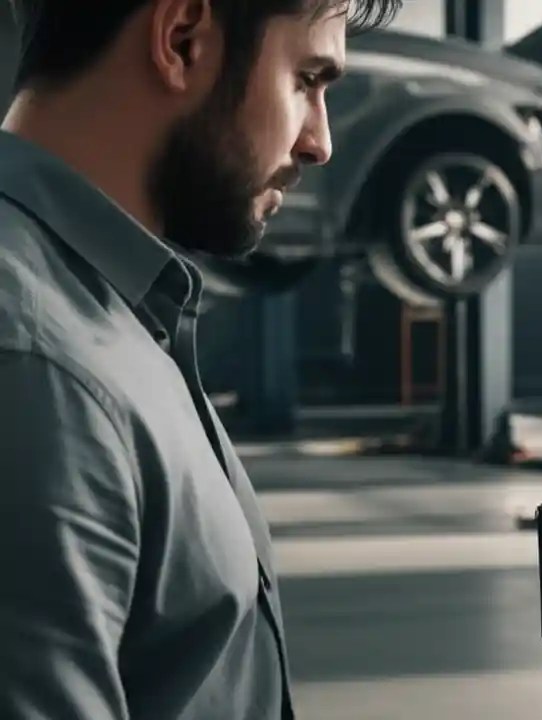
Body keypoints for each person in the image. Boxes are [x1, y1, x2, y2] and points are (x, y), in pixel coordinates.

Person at [0, 0, 399, 717]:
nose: (320, 142)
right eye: (307, 79)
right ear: (182, 39)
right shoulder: (37, 367)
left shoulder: (112, 312)